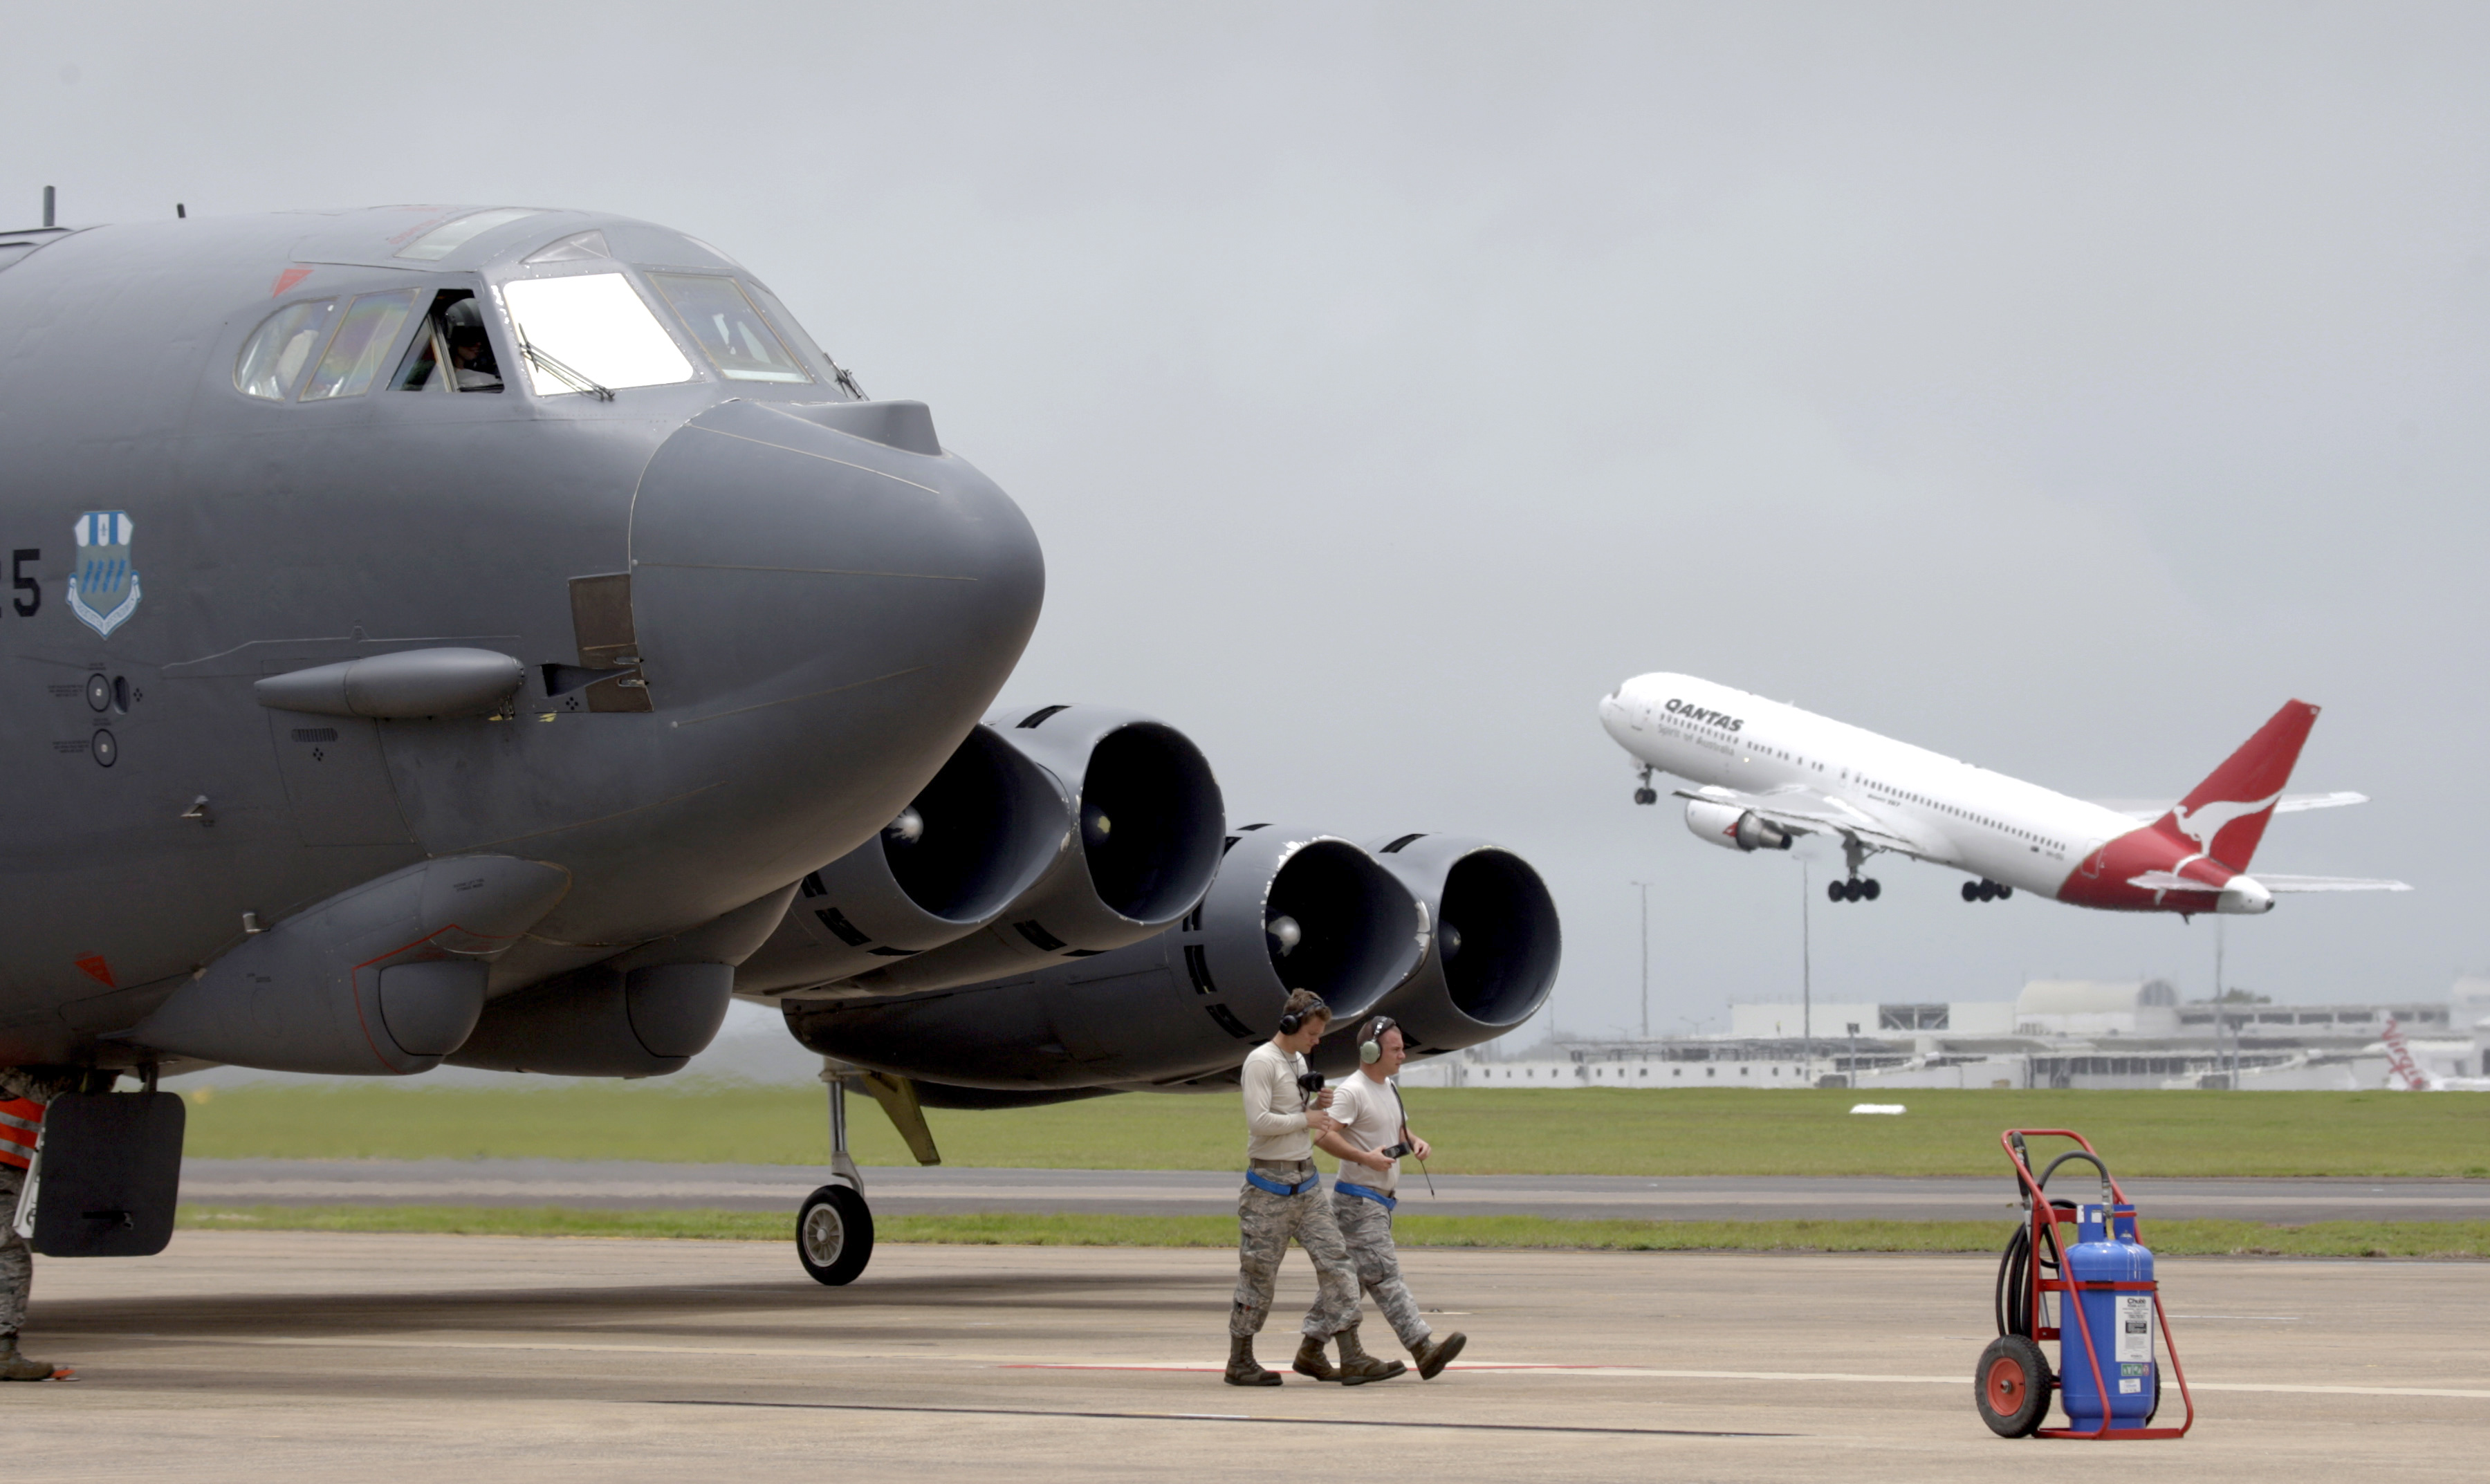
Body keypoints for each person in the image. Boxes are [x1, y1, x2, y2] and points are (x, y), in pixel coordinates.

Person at [1226, 989, 1405, 1386]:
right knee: (1259, 1273)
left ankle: (1351, 1355)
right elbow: (1259, 1122)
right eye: (1312, 1033)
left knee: (1338, 1262)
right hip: (1268, 1184)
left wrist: (1320, 1106)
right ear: (1290, 1026)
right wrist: (1305, 1119)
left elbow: (1299, 1114)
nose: (1317, 1041)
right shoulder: (1261, 1063)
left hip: (1306, 1183)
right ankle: (1240, 1359)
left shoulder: (1297, 1060)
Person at [1316, 1015, 1468, 1380]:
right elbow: (1323, 1135)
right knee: (1385, 1276)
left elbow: (1396, 1125)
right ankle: (1423, 1348)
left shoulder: (1388, 1088)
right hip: (1358, 1202)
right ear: (1371, 1052)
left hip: (1380, 1203)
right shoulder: (1353, 1091)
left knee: (1351, 1283)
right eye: (1396, 1050)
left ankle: (1309, 1348)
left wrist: (1413, 1140)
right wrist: (1363, 1157)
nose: (1403, 1056)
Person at [0, 1068, 70, 1382]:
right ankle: (2, 1352)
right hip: (5, 1162)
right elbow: (50, 1091)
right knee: (9, 1254)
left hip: (11, 1162)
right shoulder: (19, 1066)